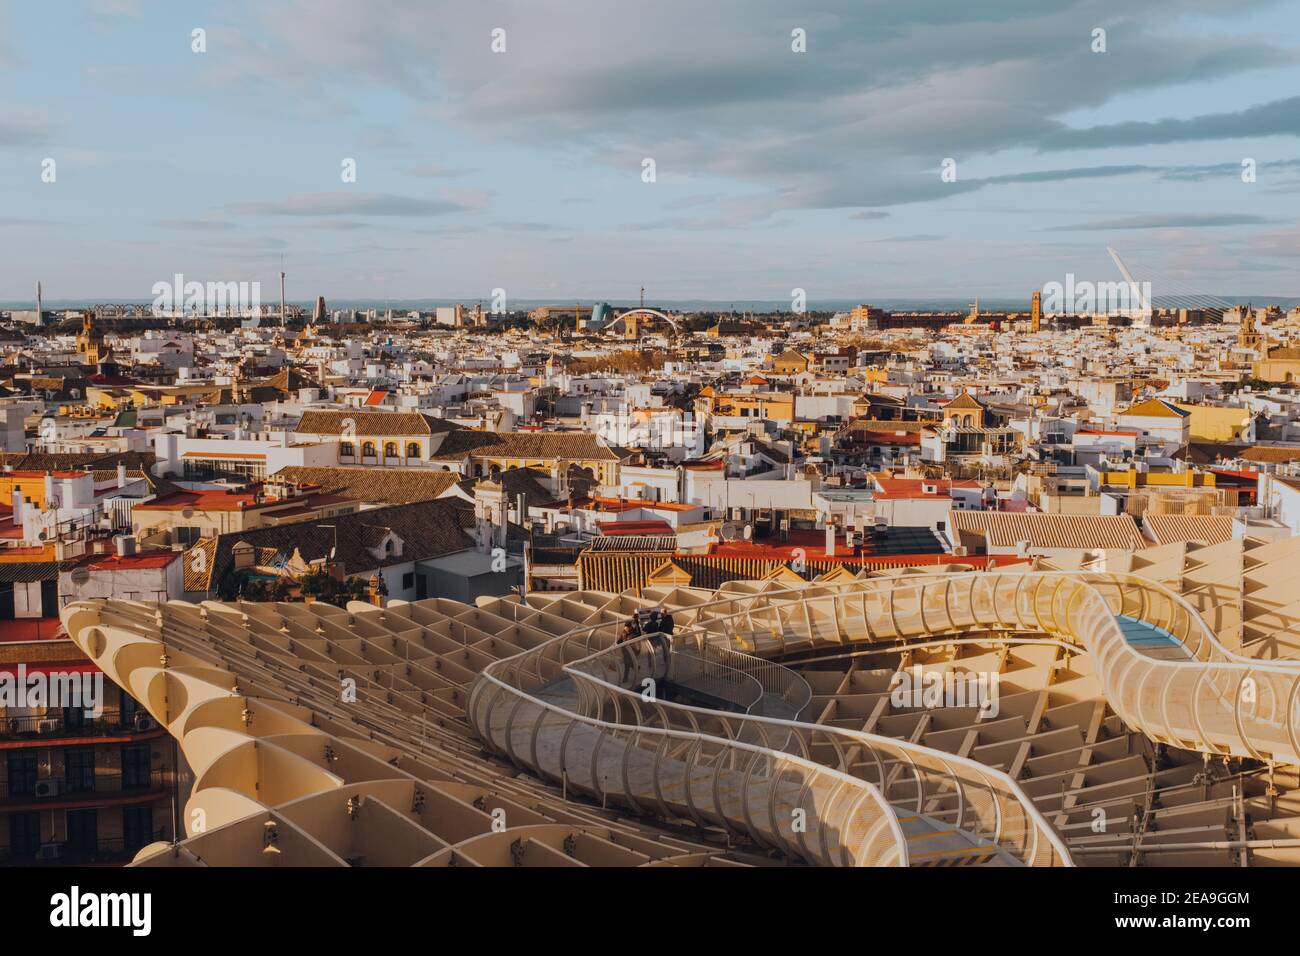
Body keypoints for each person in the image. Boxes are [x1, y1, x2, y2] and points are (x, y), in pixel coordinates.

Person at [616, 620, 637, 686]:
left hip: (631, 651)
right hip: (625, 651)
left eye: (627, 627)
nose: (626, 629)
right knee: (627, 663)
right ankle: (635, 666)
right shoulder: (624, 632)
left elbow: (635, 642)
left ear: (630, 627)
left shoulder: (633, 633)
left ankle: (625, 678)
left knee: (627, 664)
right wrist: (616, 644)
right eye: (625, 627)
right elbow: (619, 641)